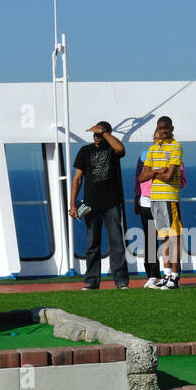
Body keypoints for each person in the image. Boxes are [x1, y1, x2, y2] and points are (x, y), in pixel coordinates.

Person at [69, 121, 129, 289]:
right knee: (92, 244)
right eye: (94, 134)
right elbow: (77, 179)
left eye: (99, 134)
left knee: (116, 242)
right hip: (90, 205)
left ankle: (121, 281)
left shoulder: (112, 149)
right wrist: (73, 204)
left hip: (112, 203)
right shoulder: (84, 151)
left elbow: (121, 150)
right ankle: (91, 280)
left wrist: (104, 133)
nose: (95, 137)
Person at [138, 116, 184, 289]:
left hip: (169, 197)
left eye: (166, 128)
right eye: (160, 128)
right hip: (155, 198)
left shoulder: (176, 147)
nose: (163, 131)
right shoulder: (152, 149)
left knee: (174, 237)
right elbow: (142, 177)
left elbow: (169, 176)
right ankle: (166, 275)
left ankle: (175, 276)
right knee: (164, 238)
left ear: (172, 128)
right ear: (157, 129)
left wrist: (153, 173)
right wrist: (158, 171)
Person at [133, 154, 162, 286]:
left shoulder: (171, 154)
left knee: (168, 237)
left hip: (164, 200)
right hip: (146, 202)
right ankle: (153, 274)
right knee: (150, 239)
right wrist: (137, 197)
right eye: (155, 138)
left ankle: (171, 273)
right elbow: (138, 179)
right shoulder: (144, 156)